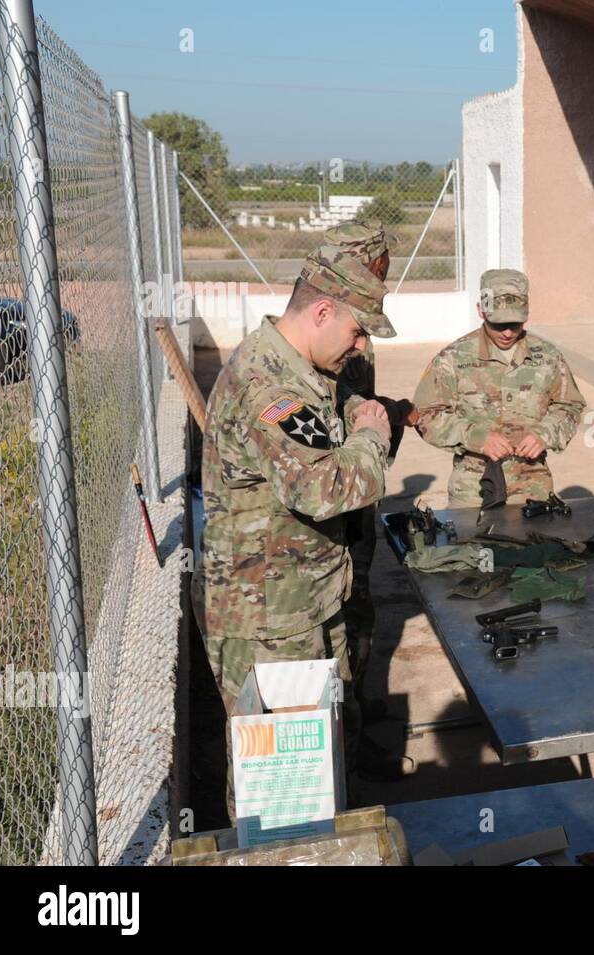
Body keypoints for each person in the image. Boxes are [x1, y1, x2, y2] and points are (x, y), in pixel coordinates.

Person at [199, 245, 396, 815]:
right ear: (322, 312)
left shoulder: (298, 370)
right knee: (282, 795)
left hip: (303, 601)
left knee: (327, 761)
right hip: (267, 619)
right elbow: (324, 489)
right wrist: (371, 435)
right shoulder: (269, 387)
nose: (361, 347)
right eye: (359, 332)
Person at [324, 219, 415, 731]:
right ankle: (351, 728)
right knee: (348, 608)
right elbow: (332, 417)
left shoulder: (354, 323)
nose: (388, 272)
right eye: (383, 263)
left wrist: (392, 413)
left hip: (359, 495)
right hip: (341, 492)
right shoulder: (331, 322)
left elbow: (354, 405)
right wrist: (377, 419)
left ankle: (358, 708)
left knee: (362, 607)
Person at [413, 268, 585, 507]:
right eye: (498, 324)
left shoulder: (547, 356)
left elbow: (570, 405)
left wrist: (544, 433)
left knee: (538, 544)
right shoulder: (452, 359)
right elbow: (425, 415)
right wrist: (476, 437)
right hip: (474, 489)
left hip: (532, 486)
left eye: (515, 324)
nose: (507, 332)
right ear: (480, 311)